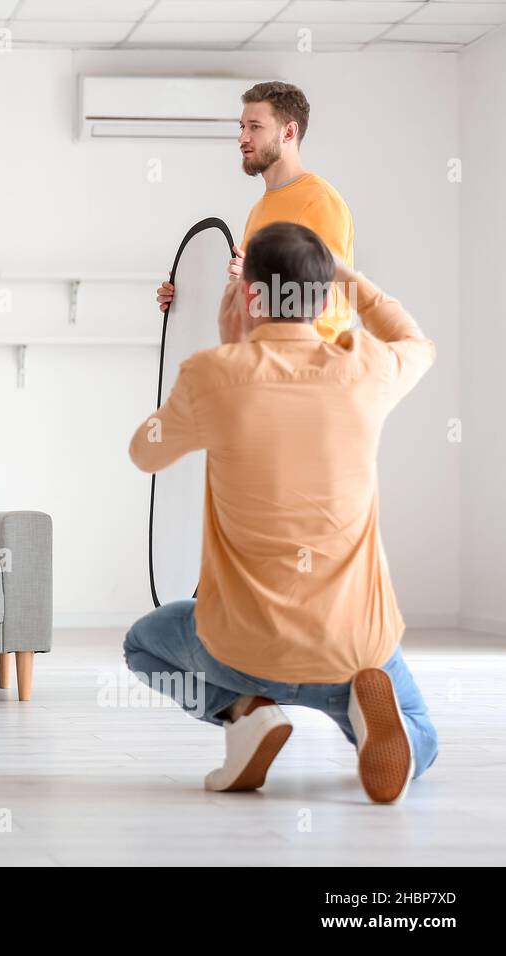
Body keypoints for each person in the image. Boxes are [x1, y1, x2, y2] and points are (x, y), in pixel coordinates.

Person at [126, 221, 437, 804]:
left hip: (240, 649)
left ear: (248, 295)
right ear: (325, 296)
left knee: (143, 643)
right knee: (420, 737)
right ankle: (369, 719)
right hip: (351, 649)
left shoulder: (216, 376)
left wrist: (224, 356)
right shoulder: (363, 369)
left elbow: (144, 451)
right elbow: (419, 345)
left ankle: (248, 712)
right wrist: (355, 280)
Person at [157, 81, 355, 343]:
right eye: (242, 127)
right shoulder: (260, 209)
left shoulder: (320, 202)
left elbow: (332, 302)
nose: (243, 138)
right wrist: (188, 294)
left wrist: (254, 285)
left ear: (288, 132)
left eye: (255, 127)